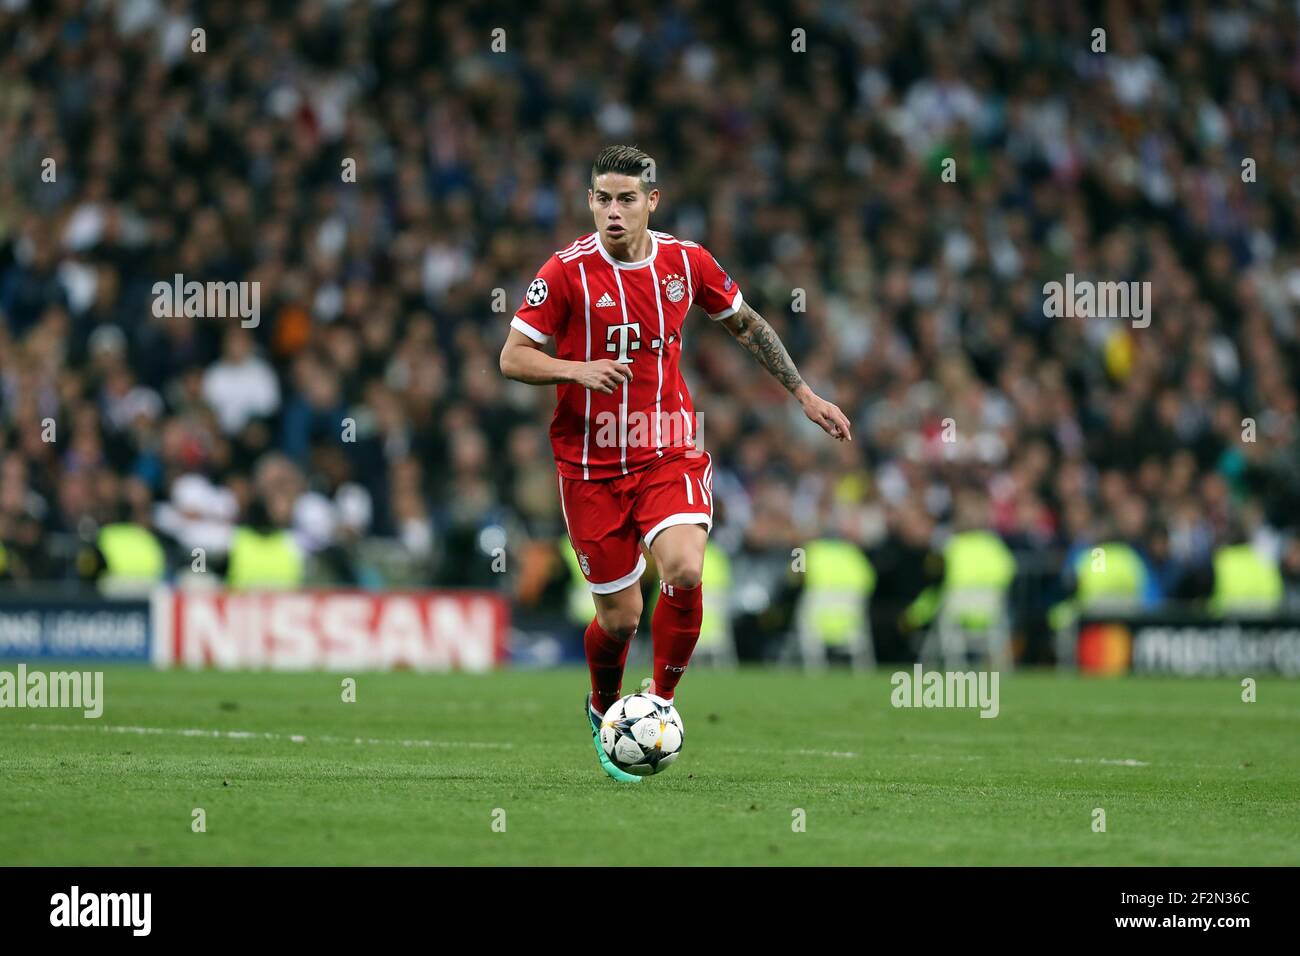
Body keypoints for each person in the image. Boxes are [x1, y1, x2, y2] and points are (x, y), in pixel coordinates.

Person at [499, 145, 852, 782]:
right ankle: (605, 707)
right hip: (589, 465)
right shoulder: (564, 273)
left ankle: (659, 705)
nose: (613, 211)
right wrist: (575, 369)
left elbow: (746, 325)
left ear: (651, 202)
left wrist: (802, 392)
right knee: (620, 616)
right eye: (602, 198)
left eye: (626, 199)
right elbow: (513, 357)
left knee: (685, 568)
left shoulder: (687, 264)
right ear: (590, 202)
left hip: (668, 446)